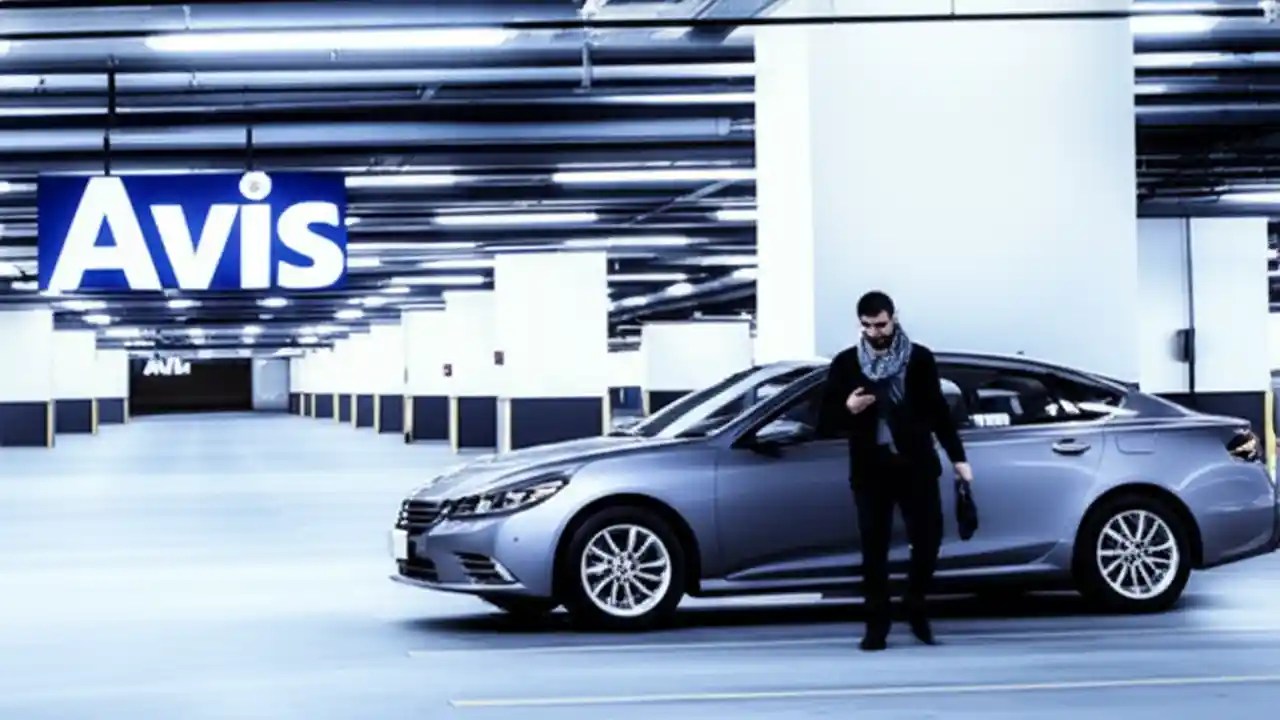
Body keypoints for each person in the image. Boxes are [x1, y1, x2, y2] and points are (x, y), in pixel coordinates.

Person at [817, 290, 971, 651]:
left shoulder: (919, 359)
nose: (875, 332)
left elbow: (938, 411)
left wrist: (958, 458)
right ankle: (877, 624)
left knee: (930, 539)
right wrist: (849, 407)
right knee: (874, 549)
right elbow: (824, 422)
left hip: (916, 464)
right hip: (872, 469)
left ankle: (915, 603)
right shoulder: (846, 364)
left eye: (881, 324)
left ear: (894, 318)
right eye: (868, 326)